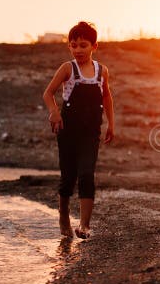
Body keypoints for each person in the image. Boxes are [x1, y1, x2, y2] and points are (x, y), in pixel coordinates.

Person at [42, 21, 115, 238]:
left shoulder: (102, 71)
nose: (78, 50)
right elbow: (48, 93)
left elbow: (106, 96)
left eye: (83, 45)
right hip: (68, 131)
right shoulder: (68, 69)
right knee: (68, 178)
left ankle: (84, 225)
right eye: (73, 45)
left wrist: (111, 123)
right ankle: (63, 214)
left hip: (91, 131)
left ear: (94, 46)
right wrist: (54, 112)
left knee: (86, 175)